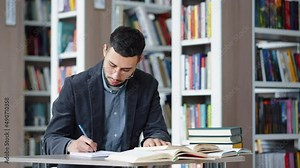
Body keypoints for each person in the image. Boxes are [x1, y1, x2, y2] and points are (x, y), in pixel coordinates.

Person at [43, 26, 171, 167]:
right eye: (112, 65)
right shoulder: (75, 86)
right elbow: (50, 139)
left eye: (126, 70)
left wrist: (153, 140)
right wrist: (70, 144)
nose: (116, 75)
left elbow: (157, 130)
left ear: (139, 60)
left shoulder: (147, 85)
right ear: (105, 50)